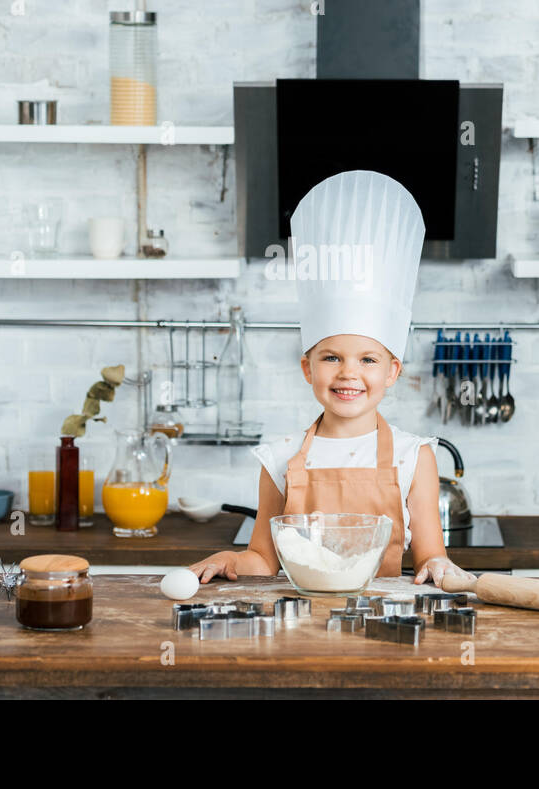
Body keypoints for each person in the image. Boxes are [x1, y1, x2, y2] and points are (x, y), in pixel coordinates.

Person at [189, 170, 467, 587]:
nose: (348, 373)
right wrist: (233, 558)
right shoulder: (279, 458)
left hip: (379, 623)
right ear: (308, 368)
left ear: (392, 371)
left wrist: (441, 567)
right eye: (332, 357)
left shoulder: (414, 457)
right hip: (298, 622)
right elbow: (263, 560)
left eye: (368, 359)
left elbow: (431, 556)